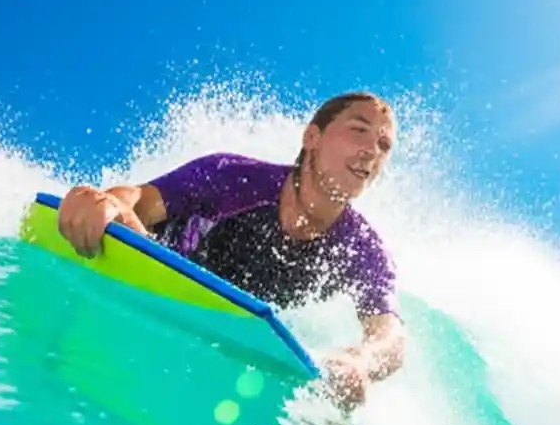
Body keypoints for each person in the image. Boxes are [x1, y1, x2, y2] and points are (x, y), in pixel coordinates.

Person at [56, 92, 406, 407]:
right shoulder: (233, 177)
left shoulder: (361, 248)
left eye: (384, 144)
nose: (372, 150)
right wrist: (105, 201)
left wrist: (362, 360)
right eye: (359, 130)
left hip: (221, 329)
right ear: (312, 137)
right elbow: (139, 198)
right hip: (160, 273)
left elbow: (390, 336)